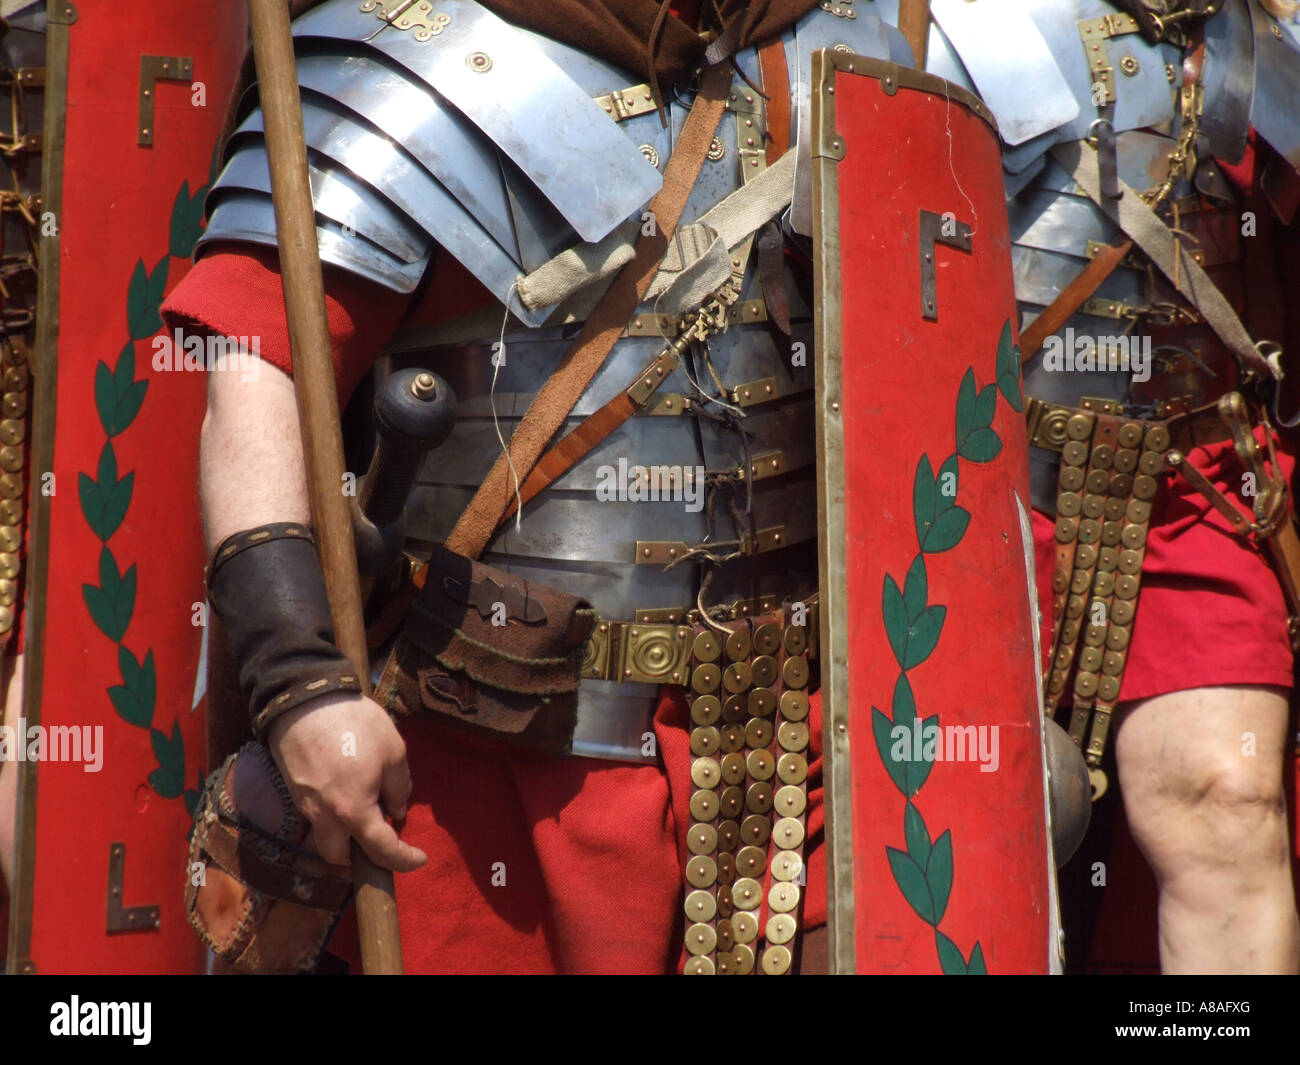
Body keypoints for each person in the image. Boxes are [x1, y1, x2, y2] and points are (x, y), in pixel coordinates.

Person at [165, 0, 922, 974]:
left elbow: (928, 382)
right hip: (492, 766)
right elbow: (258, 375)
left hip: (791, 745)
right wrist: (302, 687)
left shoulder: (843, 52)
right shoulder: (397, 66)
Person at [906, 0, 1300, 972]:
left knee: (1225, 795)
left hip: (1193, 480)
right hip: (957, 485)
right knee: (959, 828)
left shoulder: (1238, 31)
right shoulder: (894, 20)